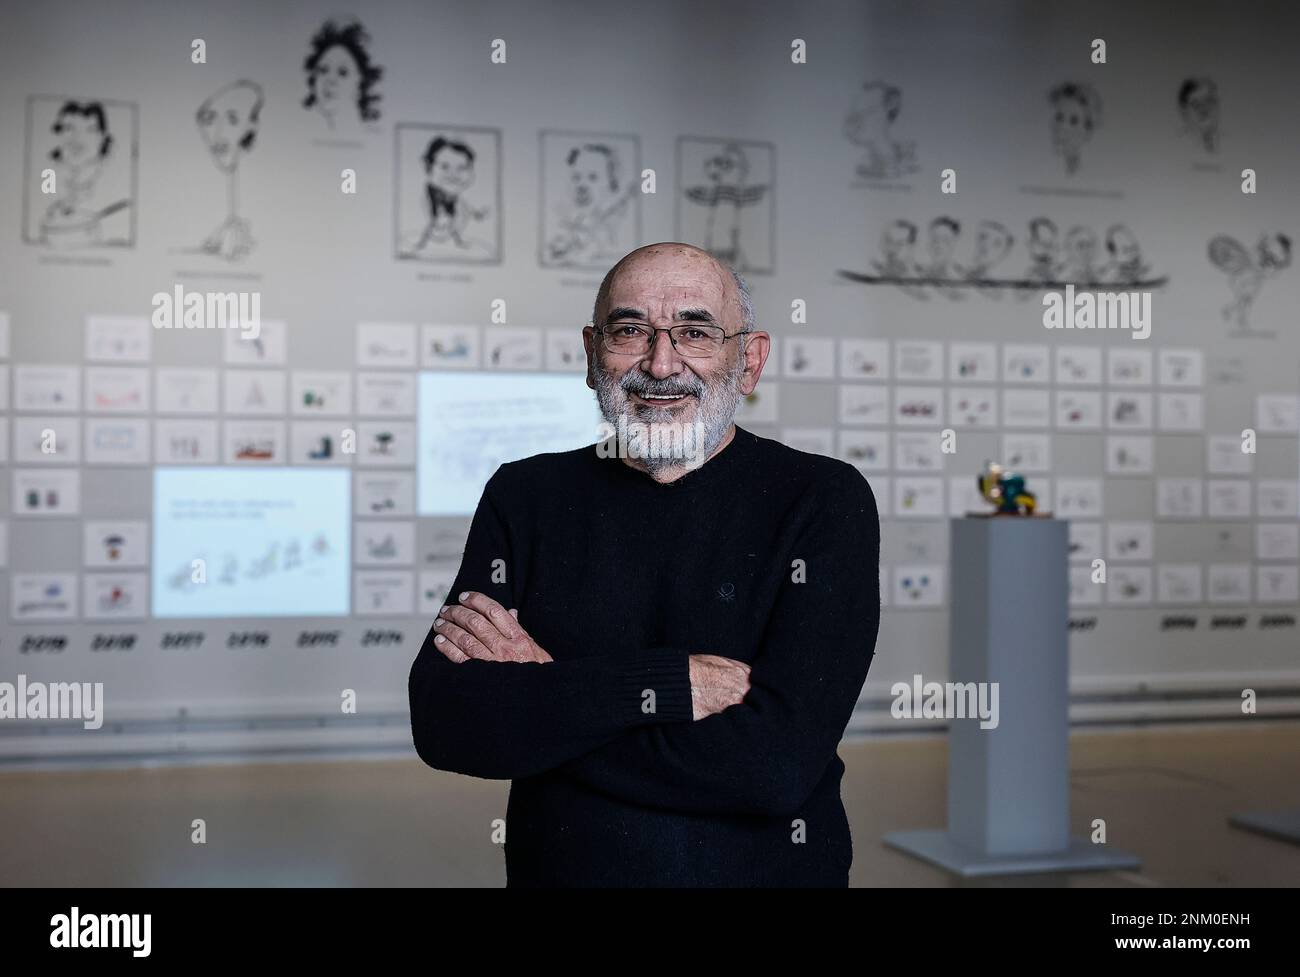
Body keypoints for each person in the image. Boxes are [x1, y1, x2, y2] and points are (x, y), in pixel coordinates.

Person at [409, 242, 881, 887]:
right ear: (590, 353)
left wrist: (549, 695)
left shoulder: (822, 500)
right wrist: (663, 684)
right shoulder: (525, 496)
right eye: (630, 330)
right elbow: (448, 722)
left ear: (749, 361)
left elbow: (774, 770)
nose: (661, 364)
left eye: (696, 332)